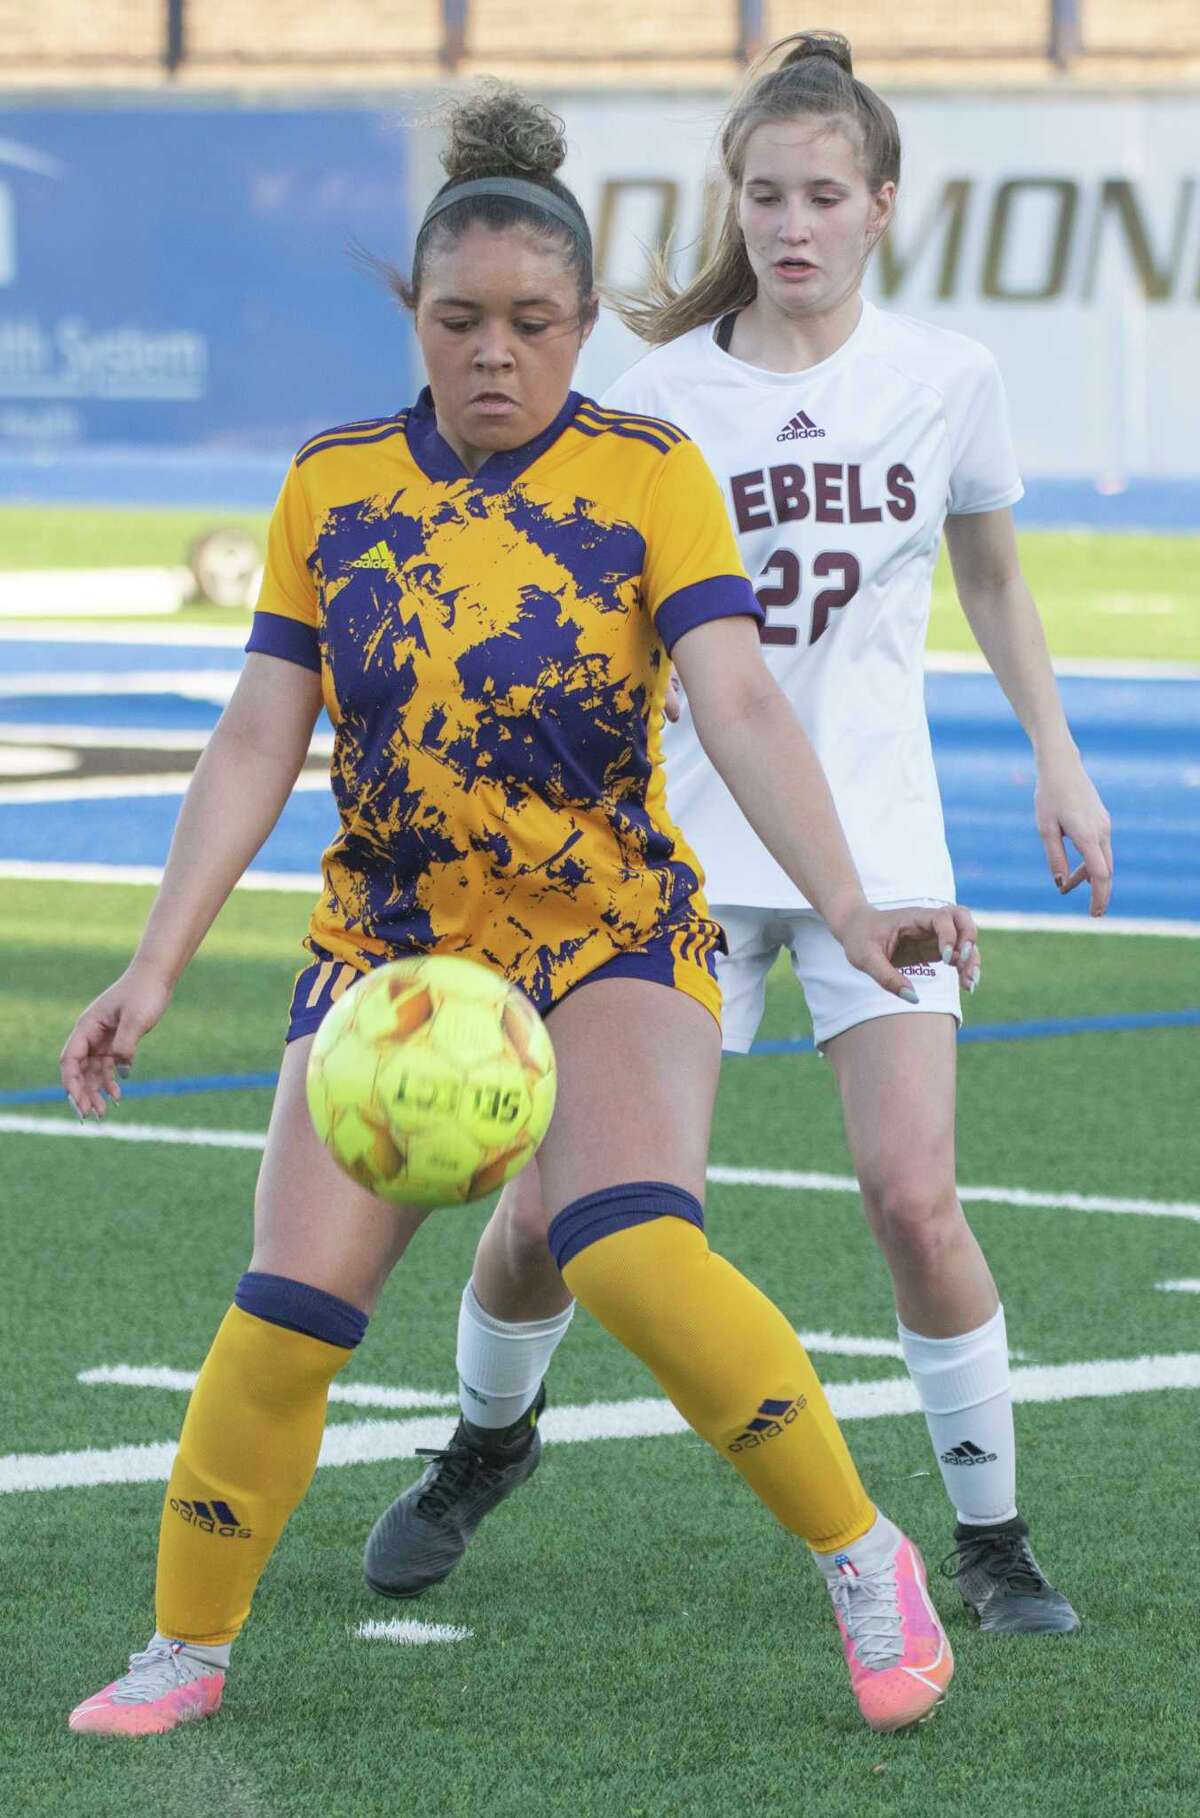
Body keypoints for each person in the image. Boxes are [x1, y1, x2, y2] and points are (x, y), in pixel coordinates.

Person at [59, 83, 981, 1740]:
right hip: (390, 963)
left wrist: (853, 902)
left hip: (605, 933)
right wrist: (149, 967)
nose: (496, 352)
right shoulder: (328, 486)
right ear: (412, 316)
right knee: (290, 1306)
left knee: (628, 1241)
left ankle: (866, 1556)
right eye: (459, 319)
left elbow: (744, 706)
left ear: (576, 327)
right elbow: (260, 735)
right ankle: (184, 1646)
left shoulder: (649, 474)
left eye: (535, 322)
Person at [364, 37, 1111, 1639]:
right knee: (562, 1220)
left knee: (917, 1197)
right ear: (737, 201)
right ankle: (489, 1439)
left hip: (882, 857)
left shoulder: (946, 379)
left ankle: (993, 1538)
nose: (792, 222)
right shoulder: (657, 395)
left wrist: (1060, 758)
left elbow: (990, 576)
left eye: (825, 194)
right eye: (765, 192)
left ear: (882, 205)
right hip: (674, 861)